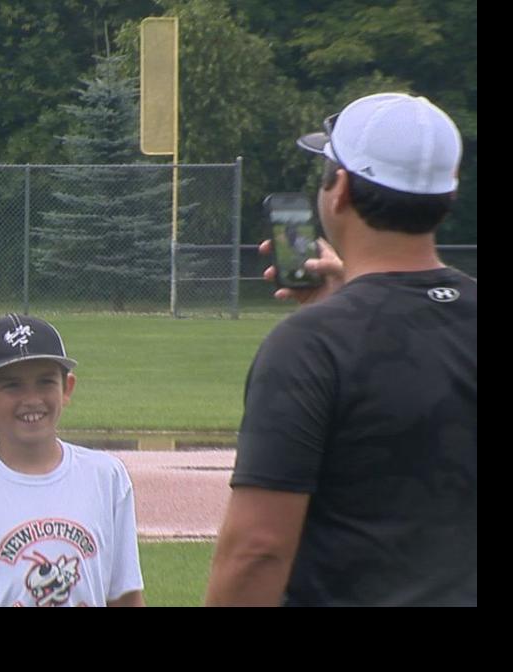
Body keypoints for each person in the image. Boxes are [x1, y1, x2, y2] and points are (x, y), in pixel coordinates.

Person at [206, 93, 477, 606]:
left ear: (341, 189)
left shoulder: (310, 345)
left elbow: (257, 552)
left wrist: (340, 316)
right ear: (448, 193)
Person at [0, 314, 146, 607]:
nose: (32, 398)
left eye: (45, 382)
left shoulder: (106, 477)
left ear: (67, 388)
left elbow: (125, 595)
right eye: (12, 385)